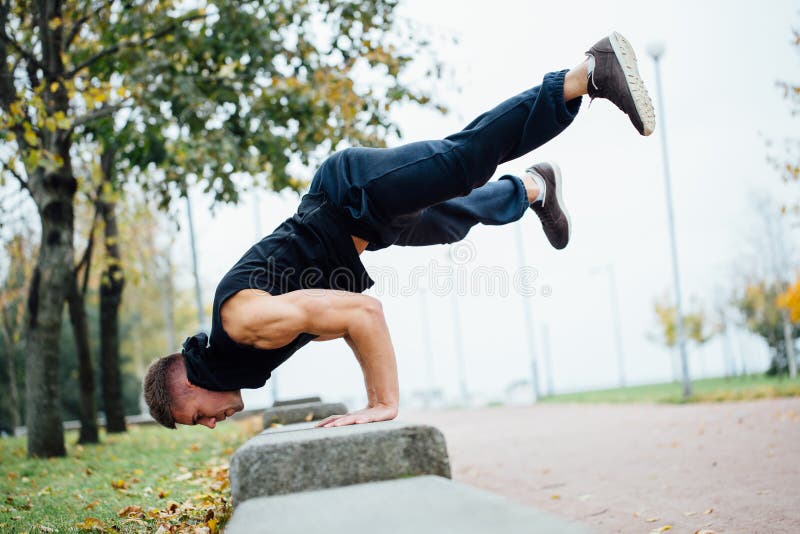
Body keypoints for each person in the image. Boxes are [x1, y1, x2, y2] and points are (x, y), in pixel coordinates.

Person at [143, 32, 655, 430]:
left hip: (351, 192)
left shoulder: (242, 324)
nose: (212, 422)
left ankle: (588, 71)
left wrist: (380, 403)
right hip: (366, 223)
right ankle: (533, 189)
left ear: (186, 382)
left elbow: (361, 315)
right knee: (453, 220)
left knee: (461, 164)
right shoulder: (242, 354)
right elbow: (334, 318)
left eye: (197, 416)